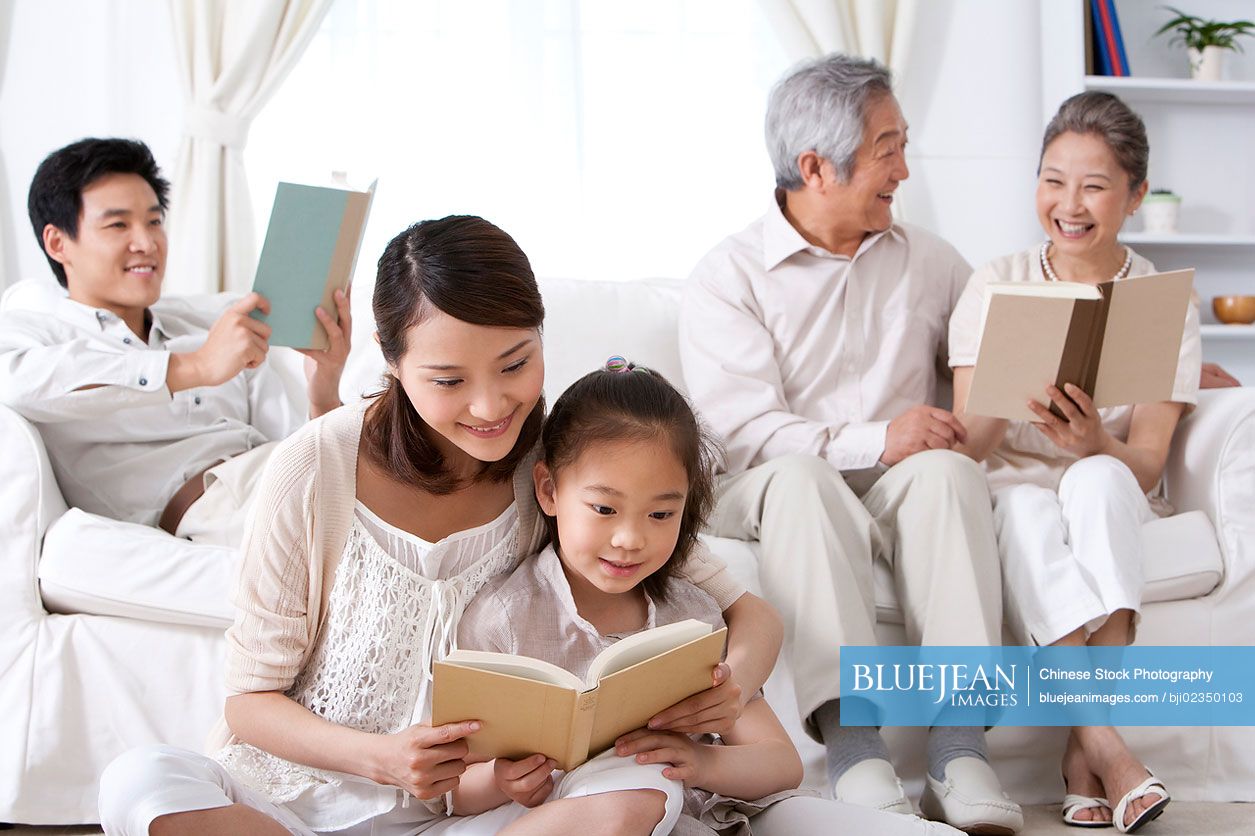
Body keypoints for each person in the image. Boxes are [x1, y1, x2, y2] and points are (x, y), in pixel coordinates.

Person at [97, 216, 783, 835]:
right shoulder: (314, 467)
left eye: (515, 364)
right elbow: (249, 701)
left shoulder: (556, 466)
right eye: (448, 380)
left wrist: (727, 693)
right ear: (391, 361)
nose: (490, 405)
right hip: (287, 808)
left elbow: (748, 614)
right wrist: (380, 759)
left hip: (474, 817)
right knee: (139, 783)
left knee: (636, 795)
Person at [679, 53, 1023, 833]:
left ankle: (959, 750)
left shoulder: (931, 262)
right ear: (815, 168)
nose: (903, 167)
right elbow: (743, 433)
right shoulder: (728, 276)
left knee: (944, 472)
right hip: (768, 484)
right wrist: (881, 434)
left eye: (902, 144)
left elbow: (990, 366)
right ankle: (855, 748)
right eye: (887, 148)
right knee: (803, 476)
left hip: (894, 480)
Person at [456, 358, 964, 835]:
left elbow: (780, 764)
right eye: (604, 509)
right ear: (549, 491)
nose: (630, 539)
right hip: (587, 818)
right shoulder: (504, 618)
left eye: (660, 515)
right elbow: (454, 789)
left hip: (708, 814)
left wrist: (703, 762)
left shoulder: (690, 613)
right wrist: (501, 780)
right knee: (636, 801)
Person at [949, 91, 1191, 833]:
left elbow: (1145, 462)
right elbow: (971, 447)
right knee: (1022, 506)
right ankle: (1104, 754)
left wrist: (1095, 443)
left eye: (1092, 185)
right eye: (1052, 180)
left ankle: (1086, 755)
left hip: (1107, 485)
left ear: (1135, 195)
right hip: (1012, 481)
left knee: (1097, 479)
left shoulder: (1160, 301)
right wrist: (1009, 381)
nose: (1068, 203)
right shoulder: (994, 281)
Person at [0, 137, 351, 546]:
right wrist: (194, 367)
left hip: (276, 474)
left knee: (405, 471)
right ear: (58, 243)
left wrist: (324, 386)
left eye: (153, 221)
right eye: (118, 225)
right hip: (212, 508)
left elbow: (293, 443)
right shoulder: (39, 333)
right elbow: (16, 382)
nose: (146, 243)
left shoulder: (212, 327)